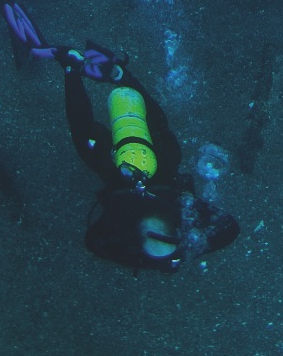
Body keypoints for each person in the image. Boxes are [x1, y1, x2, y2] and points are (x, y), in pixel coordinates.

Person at [60, 50, 239, 271]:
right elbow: (94, 243)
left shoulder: (173, 183)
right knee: (87, 137)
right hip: (122, 172)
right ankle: (82, 69)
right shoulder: (123, 214)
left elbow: (154, 117)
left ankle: (116, 74)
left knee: (155, 128)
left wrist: (184, 249)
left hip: (139, 169)